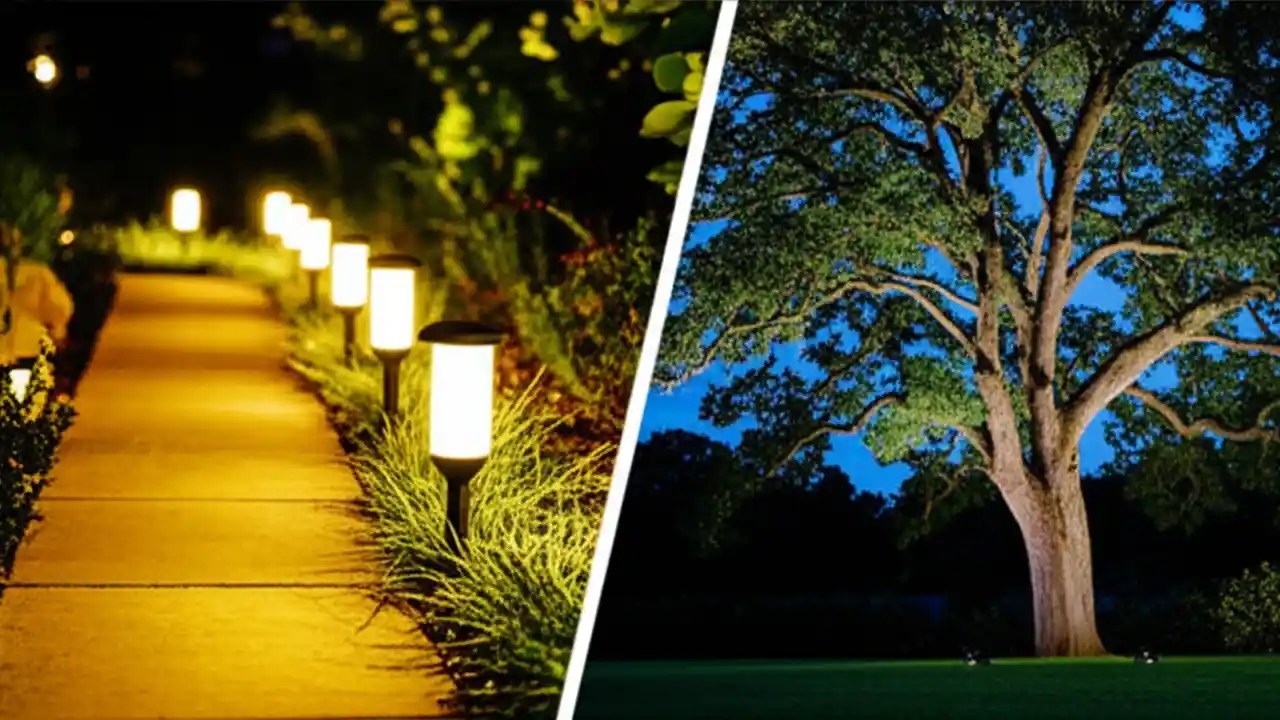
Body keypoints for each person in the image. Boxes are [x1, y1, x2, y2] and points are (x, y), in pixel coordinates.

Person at [0, 223, 74, 366]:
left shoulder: (38, 273)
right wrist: (57, 332)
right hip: (29, 347)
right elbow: (59, 308)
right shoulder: (38, 274)